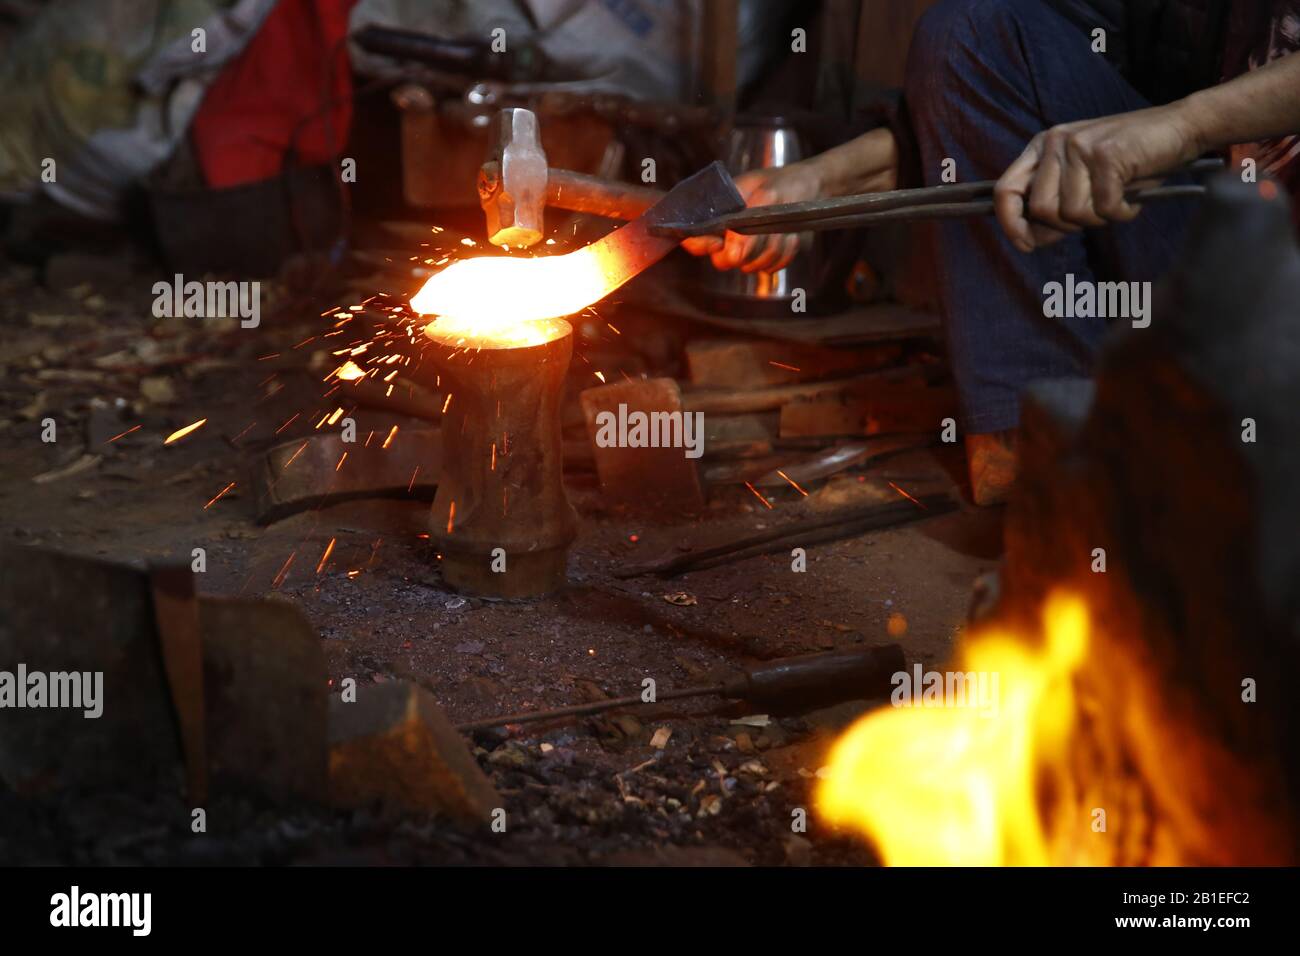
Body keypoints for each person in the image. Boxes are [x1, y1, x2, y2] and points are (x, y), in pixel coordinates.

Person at [686, 0, 1300, 504]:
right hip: (1210, 247)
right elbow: (998, 92)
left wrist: (1183, 125)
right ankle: (1057, 470)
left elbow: (1170, 129)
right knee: (971, 35)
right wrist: (816, 184)